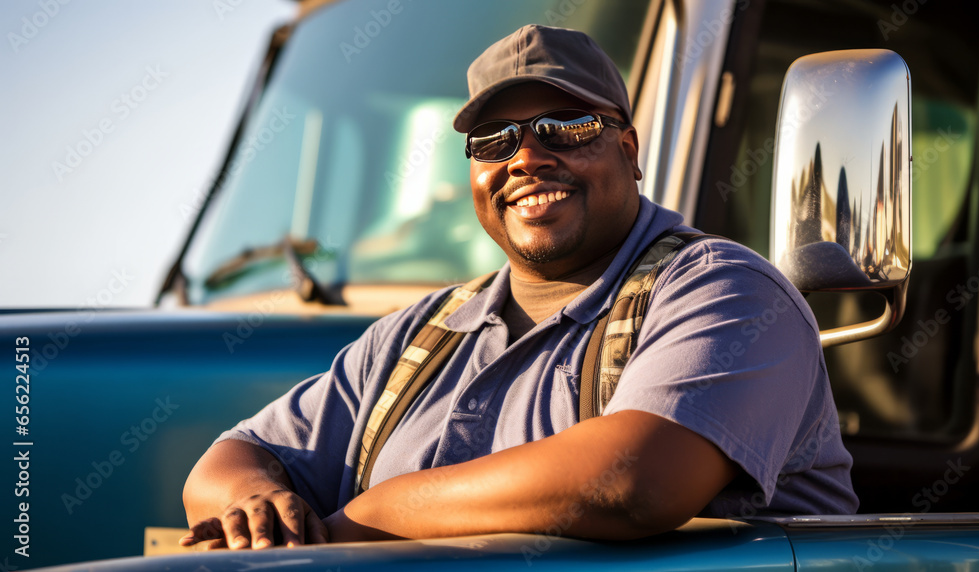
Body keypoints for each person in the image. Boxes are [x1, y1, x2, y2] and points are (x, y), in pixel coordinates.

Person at [181, 24, 858, 550]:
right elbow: (225, 465)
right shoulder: (417, 337)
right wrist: (255, 505)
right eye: (494, 141)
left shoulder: (726, 292)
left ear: (628, 150)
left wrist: (360, 521)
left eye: (565, 128)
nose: (527, 158)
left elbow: (633, 482)